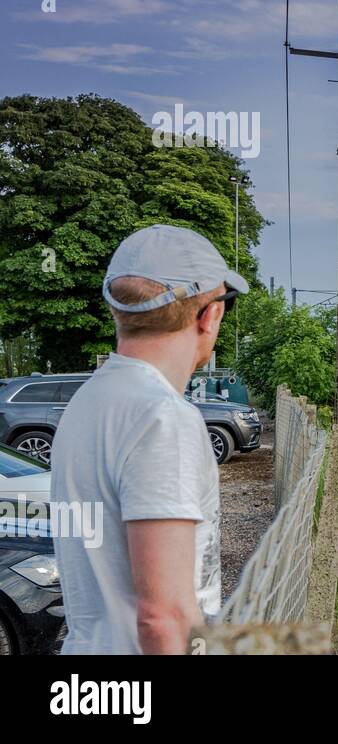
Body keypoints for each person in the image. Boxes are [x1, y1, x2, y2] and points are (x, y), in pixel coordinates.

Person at [51, 224, 247, 654]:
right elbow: (164, 618)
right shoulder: (163, 417)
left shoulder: (90, 400)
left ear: (117, 310)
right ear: (209, 315)